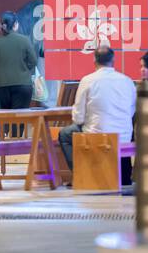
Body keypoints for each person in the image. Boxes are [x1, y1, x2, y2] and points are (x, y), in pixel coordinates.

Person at [59, 46, 137, 180]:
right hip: (124, 136)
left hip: (97, 135)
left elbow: (78, 117)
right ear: (113, 61)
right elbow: (131, 111)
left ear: (94, 60)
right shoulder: (127, 81)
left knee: (64, 134)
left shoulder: (87, 80)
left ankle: (82, 175)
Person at [0, 11, 38, 109]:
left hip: (1, 86)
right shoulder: (24, 40)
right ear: (15, 24)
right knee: (20, 117)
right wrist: (24, 68)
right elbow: (34, 61)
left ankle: (7, 125)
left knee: (7, 116)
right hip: (23, 84)